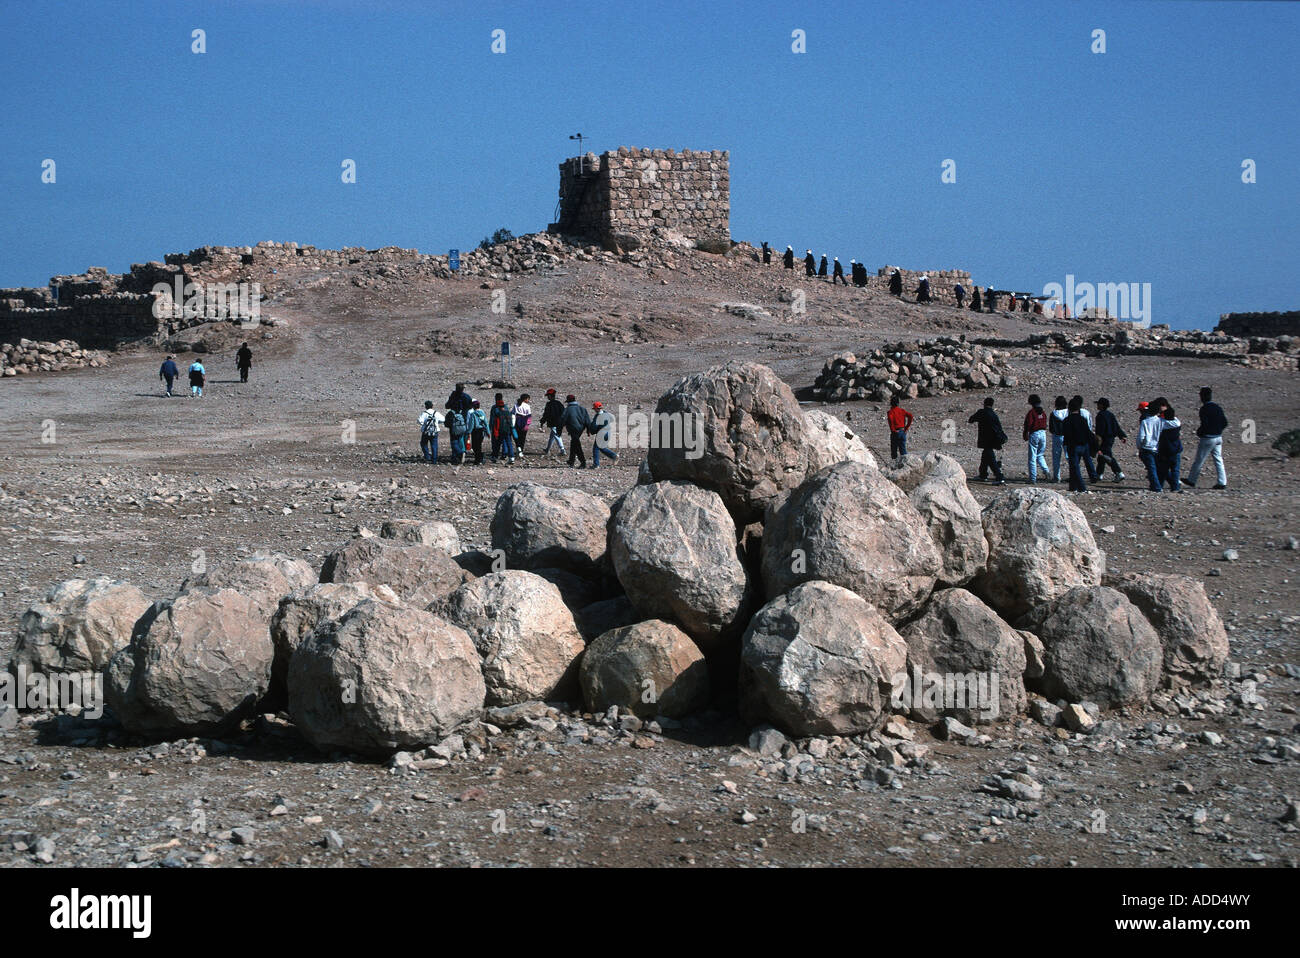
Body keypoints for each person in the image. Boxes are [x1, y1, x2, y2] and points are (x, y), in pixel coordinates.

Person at [1185, 387, 1228, 489]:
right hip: (1218, 437)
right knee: (1218, 459)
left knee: (1200, 459)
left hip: (1208, 438)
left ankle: (1192, 480)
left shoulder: (1204, 409)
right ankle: (1222, 482)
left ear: (1202, 396)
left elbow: (1205, 424)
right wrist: (1218, 430)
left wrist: (1200, 432)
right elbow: (1225, 422)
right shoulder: (1217, 407)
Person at [968, 397, 1006, 483]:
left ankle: (999, 477)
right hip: (994, 439)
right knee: (985, 456)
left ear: (984, 403)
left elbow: (971, 420)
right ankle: (983, 474)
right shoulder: (994, 414)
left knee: (990, 458)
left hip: (986, 439)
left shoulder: (981, 412)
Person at [1061, 396, 1094, 492]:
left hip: (1073, 446)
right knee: (1075, 466)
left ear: (1069, 409)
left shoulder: (1067, 421)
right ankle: (1073, 486)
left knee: (1075, 467)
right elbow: (1088, 432)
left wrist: (1066, 444)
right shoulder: (1083, 419)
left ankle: (1081, 487)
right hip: (1084, 446)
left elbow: (1065, 434)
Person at [1093, 397, 1127, 481]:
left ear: (1101, 405)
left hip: (1103, 439)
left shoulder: (1100, 416)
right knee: (1101, 457)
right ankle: (1099, 474)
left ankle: (1119, 472)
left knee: (1107, 456)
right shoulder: (1110, 414)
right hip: (1111, 438)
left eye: (1098, 404)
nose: (1097, 405)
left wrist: (1097, 441)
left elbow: (1100, 430)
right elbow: (1116, 426)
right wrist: (1122, 436)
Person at [1135, 401, 1164, 491]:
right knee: (1157, 467)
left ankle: (1156, 487)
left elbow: (1141, 437)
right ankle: (1172, 483)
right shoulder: (1161, 421)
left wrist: (1140, 447)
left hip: (1147, 448)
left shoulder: (1145, 421)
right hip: (1157, 447)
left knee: (1151, 469)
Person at [1022, 394, 1050, 484]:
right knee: (1040, 454)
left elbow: (1028, 424)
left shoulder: (1032, 412)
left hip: (1034, 434)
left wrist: (1025, 433)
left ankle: (1033, 478)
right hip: (1043, 433)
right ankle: (1046, 471)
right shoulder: (1043, 412)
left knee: (1032, 457)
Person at [1156, 405, 1183, 492]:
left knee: (1163, 471)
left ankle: (1159, 487)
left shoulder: (1163, 424)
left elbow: (1158, 420)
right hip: (1176, 450)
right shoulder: (1177, 423)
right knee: (1175, 470)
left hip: (1165, 451)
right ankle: (1175, 488)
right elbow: (1173, 417)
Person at [561, 394, 591, 467]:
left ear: (568, 401)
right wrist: (588, 430)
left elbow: (562, 420)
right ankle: (571, 460)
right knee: (574, 443)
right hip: (581, 429)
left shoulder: (567, 410)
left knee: (576, 444)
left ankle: (583, 462)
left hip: (572, 429)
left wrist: (559, 430)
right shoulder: (582, 409)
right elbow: (587, 420)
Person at [489, 393, 516, 464]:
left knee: (497, 444)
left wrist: (491, 428)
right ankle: (510, 456)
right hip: (507, 430)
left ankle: (494, 457)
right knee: (508, 442)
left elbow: (493, 420)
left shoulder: (495, 409)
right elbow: (510, 422)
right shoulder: (507, 411)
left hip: (499, 430)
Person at [589, 401, 618, 467]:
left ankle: (596, 464)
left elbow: (594, 427)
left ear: (596, 409)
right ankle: (614, 456)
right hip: (608, 433)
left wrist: (591, 430)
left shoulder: (598, 416)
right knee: (601, 447)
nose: (594, 410)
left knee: (595, 449)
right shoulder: (606, 414)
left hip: (601, 434)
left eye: (594, 409)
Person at [540, 388, 567, 457]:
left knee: (557, 435)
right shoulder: (559, 403)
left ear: (550, 396)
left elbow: (546, 414)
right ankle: (547, 449)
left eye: (548, 396)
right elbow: (564, 413)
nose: (547, 397)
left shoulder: (549, 404)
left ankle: (562, 450)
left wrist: (542, 421)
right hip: (559, 422)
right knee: (552, 436)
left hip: (553, 423)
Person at [1048, 396, 1069, 481]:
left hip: (1057, 436)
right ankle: (1073, 474)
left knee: (1056, 457)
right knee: (1069, 456)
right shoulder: (1068, 412)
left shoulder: (1053, 413)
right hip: (1067, 436)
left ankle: (1057, 477)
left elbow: (1051, 427)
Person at [466, 399, 489, 465]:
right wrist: (488, 432)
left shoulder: (473, 414)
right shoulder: (482, 413)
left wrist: (469, 432)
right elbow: (485, 422)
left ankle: (478, 459)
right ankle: (480, 458)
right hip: (481, 431)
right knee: (479, 445)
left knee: (475, 446)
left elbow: (471, 424)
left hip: (475, 431)